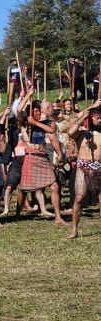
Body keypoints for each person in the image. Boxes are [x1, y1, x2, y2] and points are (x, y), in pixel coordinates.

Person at [66, 101, 101, 238]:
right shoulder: (81, 133)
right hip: (83, 168)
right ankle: (74, 229)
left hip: (99, 167)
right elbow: (69, 131)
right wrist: (82, 116)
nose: (100, 119)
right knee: (79, 198)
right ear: (90, 117)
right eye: (97, 117)